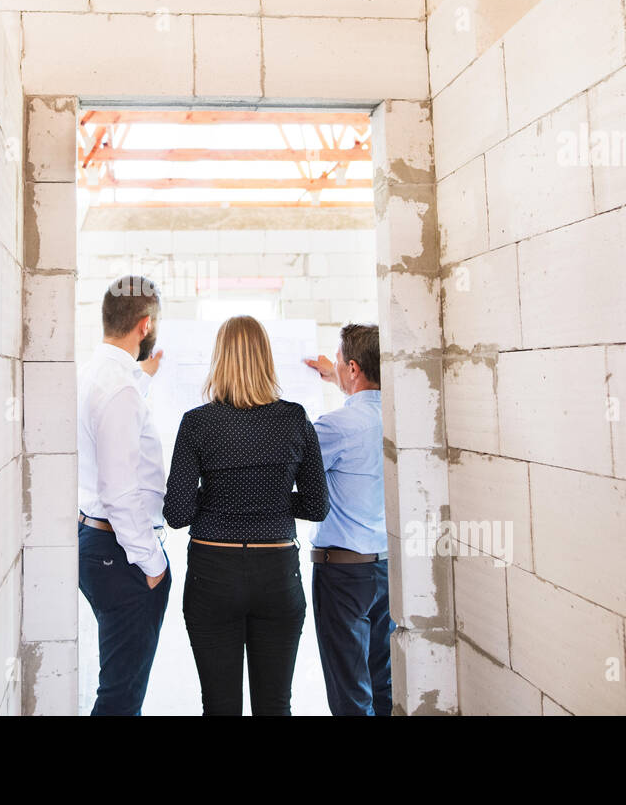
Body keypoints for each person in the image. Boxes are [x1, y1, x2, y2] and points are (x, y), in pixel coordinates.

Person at [164, 316, 329, 716]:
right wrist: (270, 501)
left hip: (211, 573)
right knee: (275, 706)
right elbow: (315, 506)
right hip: (277, 571)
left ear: (219, 360)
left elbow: (177, 513)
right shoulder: (295, 418)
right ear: (266, 359)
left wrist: (219, 497)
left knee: (219, 707)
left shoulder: (196, 423)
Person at [76, 274, 169, 716]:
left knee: (120, 686)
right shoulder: (120, 389)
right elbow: (119, 492)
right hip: (121, 553)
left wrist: (143, 378)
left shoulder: (99, 374)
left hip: (100, 543)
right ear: (145, 325)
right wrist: (152, 564)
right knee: (121, 694)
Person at [303, 323, 392, 715]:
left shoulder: (335, 427)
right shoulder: (395, 418)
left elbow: (291, 473)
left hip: (342, 577)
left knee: (350, 694)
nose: (335, 366)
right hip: (385, 570)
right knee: (382, 682)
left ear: (354, 369)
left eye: (339, 362)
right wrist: (333, 375)